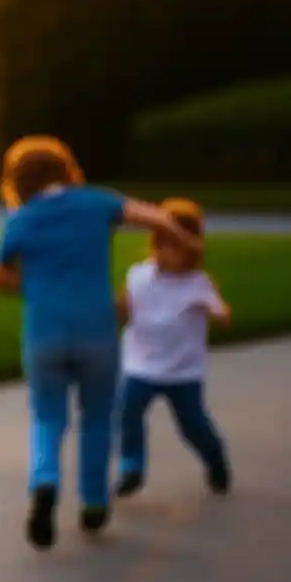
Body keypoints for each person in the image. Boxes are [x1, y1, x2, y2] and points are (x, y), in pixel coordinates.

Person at [0, 136, 201, 550]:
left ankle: (45, 482)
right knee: (97, 417)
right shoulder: (97, 202)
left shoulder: (21, 219)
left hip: (45, 333)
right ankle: (94, 503)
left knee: (48, 418)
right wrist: (186, 241)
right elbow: (151, 217)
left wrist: (39, 286)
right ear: (68, 169)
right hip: (97, 332)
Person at [114, 198, 232, 498]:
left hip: (183, 371)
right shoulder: (139, 275)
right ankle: (132, 467)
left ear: (191, 248)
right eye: (161, 243)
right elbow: (125, 309)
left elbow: (222, 313)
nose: (165, 253)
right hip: (141, 365)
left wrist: (216, 312)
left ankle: (214, 458)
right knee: (127, 411)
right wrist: (117, 310)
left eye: (174, 245)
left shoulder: (198, 284)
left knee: (192, 424)